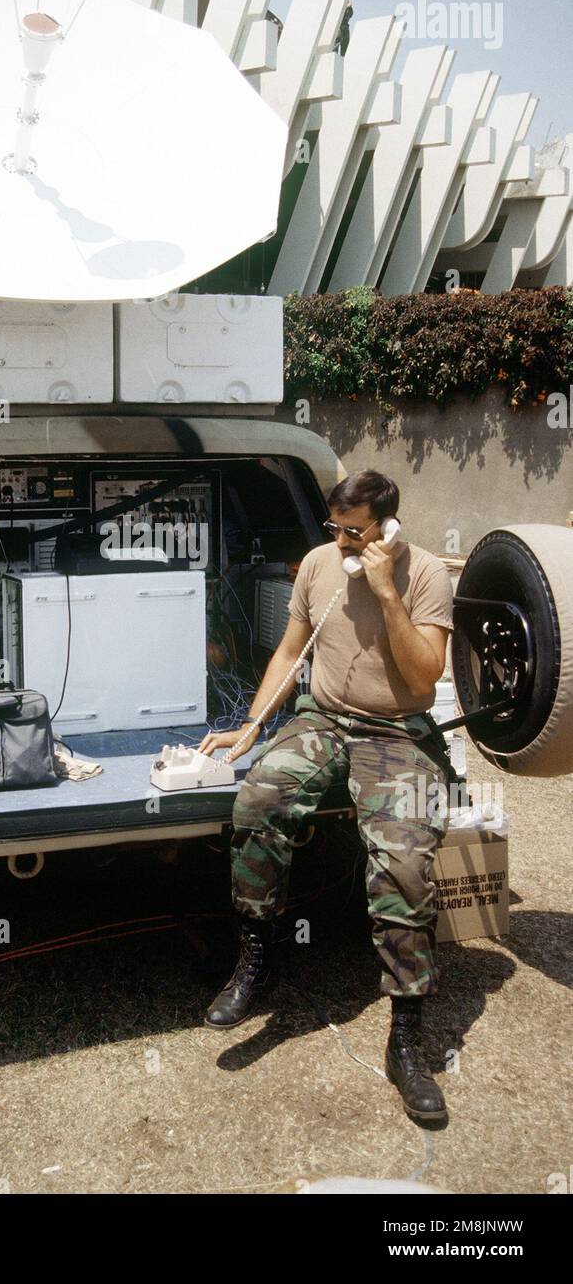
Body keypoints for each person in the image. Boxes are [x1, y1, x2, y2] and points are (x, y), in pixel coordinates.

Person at [198, 470, 456, 1121]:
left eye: (352, 531)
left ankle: (405, 1040)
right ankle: (257, 958)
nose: (338, 540)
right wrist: (252, 726)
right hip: (322, 720)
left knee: (402, 864)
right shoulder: (316, 564)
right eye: (333, 527)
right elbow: (290, 650)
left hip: (396, 733)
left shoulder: (425, 574)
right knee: (258, 801)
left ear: (386, 527)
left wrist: (385, 592)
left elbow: (425, 679)